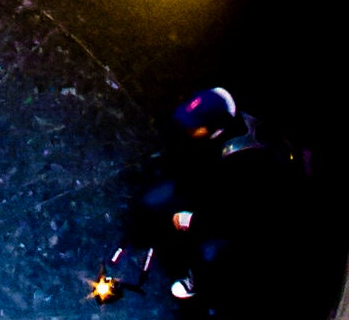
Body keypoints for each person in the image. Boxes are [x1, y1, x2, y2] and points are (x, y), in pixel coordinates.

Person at [98, 85, 281, 308]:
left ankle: (197, 283)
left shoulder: (244, 162)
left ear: (212, 128)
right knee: (151, 202)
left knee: (210, 253)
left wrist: (191, 220)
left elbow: (238, 217)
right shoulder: (220, 125)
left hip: (239, 216)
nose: (188, 129)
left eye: (195, 126)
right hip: (210, 187)